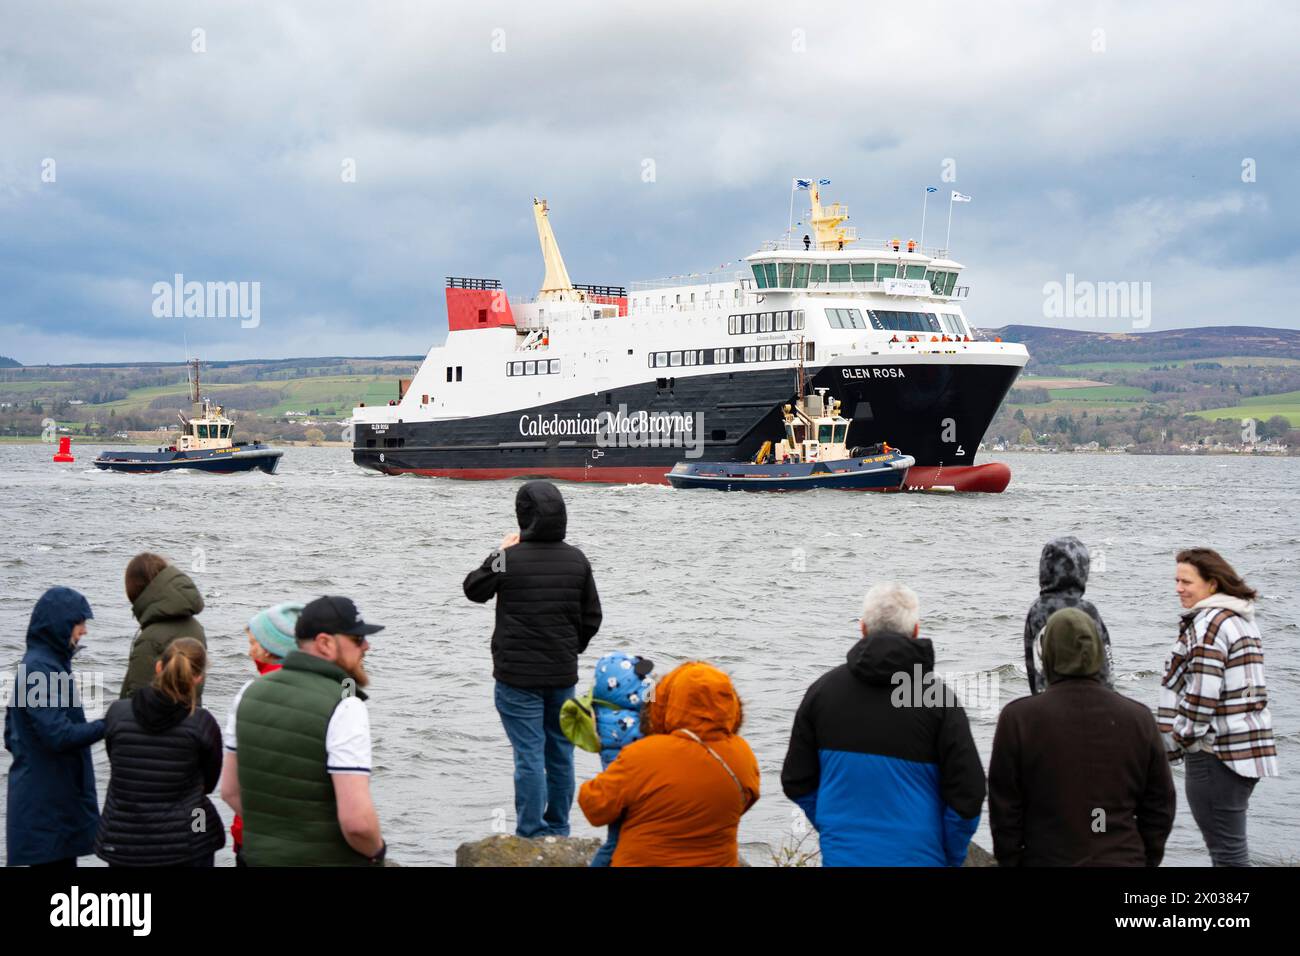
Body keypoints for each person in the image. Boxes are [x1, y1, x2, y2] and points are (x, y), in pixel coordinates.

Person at [781, 582, 985, 866]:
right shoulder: (935, 700)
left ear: (863, 629)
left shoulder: (823, 692)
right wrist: (947, 853)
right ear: (915, 631)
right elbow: (969, 796)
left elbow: (796, 780)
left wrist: (835, 830)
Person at [464, 480, 602, 838]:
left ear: (523, 516)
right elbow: (592, 617)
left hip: (516, 677)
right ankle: (558, 828)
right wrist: (571, 649)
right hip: (561, 675)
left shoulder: (509, 558)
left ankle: (529, 832)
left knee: (529, 755)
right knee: (560, 753)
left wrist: (499, 553)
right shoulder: (577, 559)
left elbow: (473, 590)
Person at [989, 608, 1175, 866]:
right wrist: (1144, 858)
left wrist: (1014, 861)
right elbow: (1160, 807)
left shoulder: (1019, 718)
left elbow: (1004, 811)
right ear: (1099, 652)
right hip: (1122, 858)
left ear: (1048, 654)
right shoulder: (1139, 718)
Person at [222, 596, 387, 866]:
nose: (367, 646)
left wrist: (277, 838)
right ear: (324, 643)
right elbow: (357, 823)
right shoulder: (345, 705)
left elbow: (229, 791)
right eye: (357, 639)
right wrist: (377, 852)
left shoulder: (247, 693)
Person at [1159, 548, 1277, 866]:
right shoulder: (1240, 620)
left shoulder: (1209, 626)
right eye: (1177, 581)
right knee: (1230, 847)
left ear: (1212, 584)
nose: (1178, 588)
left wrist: (1172, 744)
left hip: (1216, 755)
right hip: (1247, 752)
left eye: (1186, 581)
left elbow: (1200, 701)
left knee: (1226, 852)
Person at [578, 661, 758, 866]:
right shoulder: (743, 755)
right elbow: (745, 801)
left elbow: (595, 808)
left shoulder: (643, 754)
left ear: (667, 701)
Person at [95, 638, 225, 866]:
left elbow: (117, 763)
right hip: (188, 835)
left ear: (158, 667)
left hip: (122, 839)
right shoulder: (202, 722)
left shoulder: (117, 713)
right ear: (198, 678)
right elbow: (209, 783)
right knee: (202, 822)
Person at [4, 587, 106, 867]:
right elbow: (57, 735)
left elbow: (10, 735)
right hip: (45, 814)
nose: (84, 630)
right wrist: (109, 724)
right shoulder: (39, 670)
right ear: (60, 624)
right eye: (80, 622)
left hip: (51, 807)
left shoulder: (47, 664)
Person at [222, 602, 301, 866]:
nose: (249, 651)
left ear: (271, 648)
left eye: (254, 643)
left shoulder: (249, 695)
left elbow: (229, 790)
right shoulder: (324, 692)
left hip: (254, 836)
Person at [585, 652, 654, 867]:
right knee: (619, 843)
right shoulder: (635, 723)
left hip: (615, 790)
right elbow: (654, 703)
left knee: (614, 840)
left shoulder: (601, 714)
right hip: (637, 793)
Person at [1023, 536, 1113, 694]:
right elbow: (1105, 658)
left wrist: (1037, 698)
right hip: (1093, 699)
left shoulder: (1037, 610)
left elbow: (1032, 663)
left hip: (1048, 699)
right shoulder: (1089, 610)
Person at [119, 552, 206, 701]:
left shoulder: (150, 638)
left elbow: (137, 699)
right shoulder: (195, 627)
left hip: (154, 722)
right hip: (189, 717)